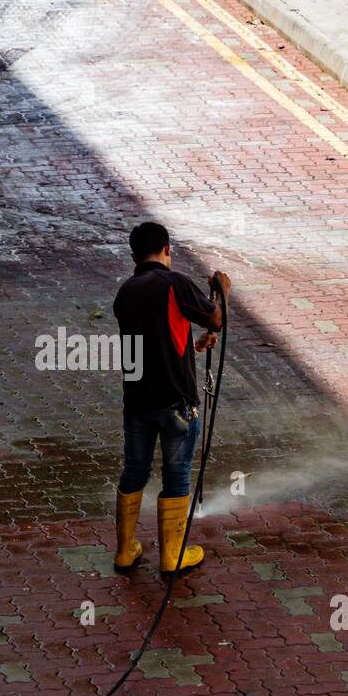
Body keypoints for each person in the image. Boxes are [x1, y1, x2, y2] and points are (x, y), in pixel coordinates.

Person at [111, 221, 231, 574]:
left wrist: (199, 340)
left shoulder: (125, 292)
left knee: (134, 469)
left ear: (134, 256)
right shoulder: (173, 283)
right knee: (176, 475)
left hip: (137, 401)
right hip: (175, 402)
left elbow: (155, 340)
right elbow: (217, 319)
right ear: (168, 249)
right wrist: (222, 291)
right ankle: (172, 555)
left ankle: (124, 551)